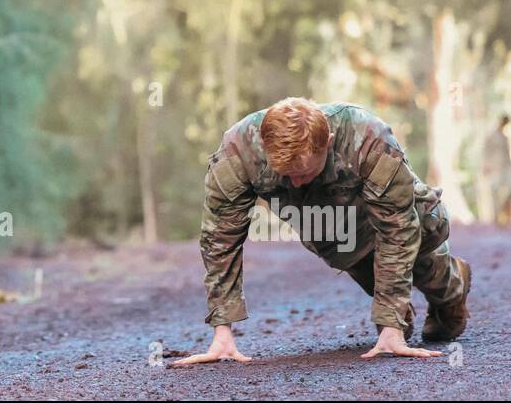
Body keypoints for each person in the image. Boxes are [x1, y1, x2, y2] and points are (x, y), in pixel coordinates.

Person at [172, 98, 472, 366]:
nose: (297, 183)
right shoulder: (238, 153)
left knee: (424, 260)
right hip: (334, 229)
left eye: (304, 173)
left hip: (397, 217)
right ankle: (393, 307)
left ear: (327, 142)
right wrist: (222, 332)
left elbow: (397, 229)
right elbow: (219, 241)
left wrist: (390, 324)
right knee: (346, 252)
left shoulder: (364, 135)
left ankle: (451, 287)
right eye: (287, 176)